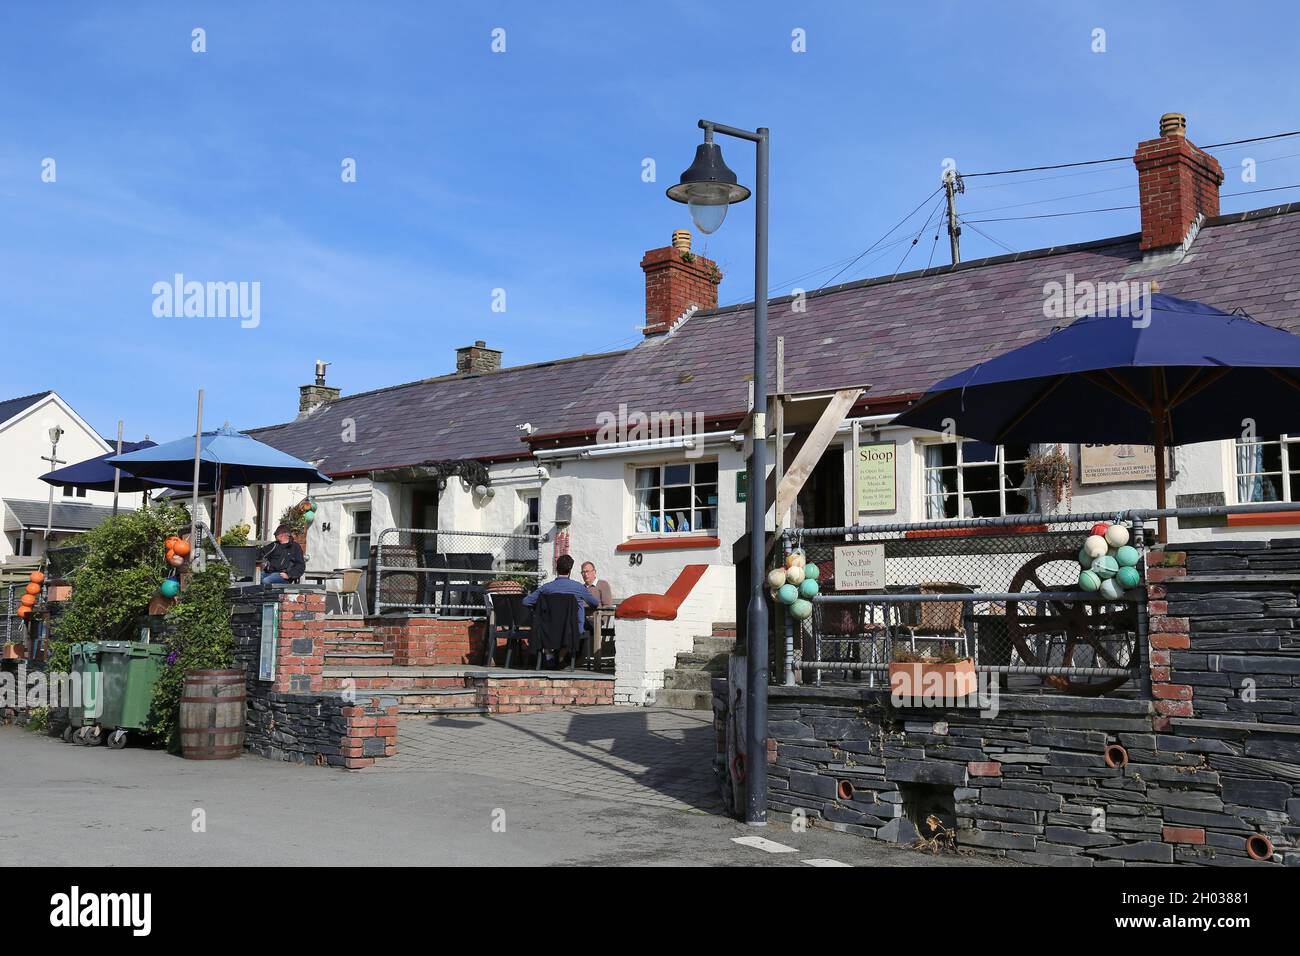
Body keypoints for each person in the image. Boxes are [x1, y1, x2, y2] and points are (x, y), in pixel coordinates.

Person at [523, 554, 598, 663]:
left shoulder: (546, 588)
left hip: (549, 629)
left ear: (557, 569)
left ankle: (550, 656)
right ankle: (560, 658)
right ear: (570, 570)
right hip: (572, 629)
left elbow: (526, 601)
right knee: (576, 628)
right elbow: (594, 603)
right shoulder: (578, 587)